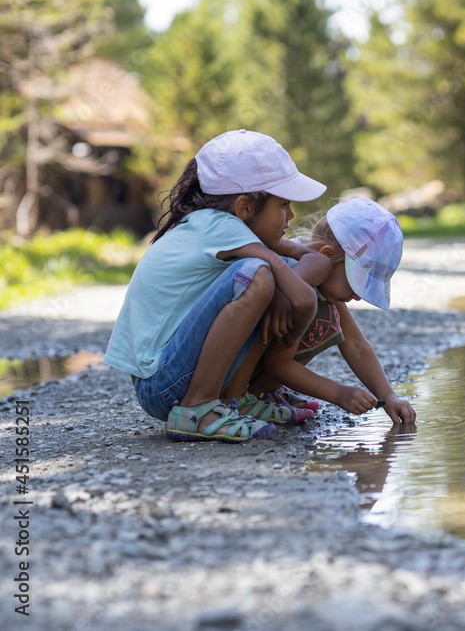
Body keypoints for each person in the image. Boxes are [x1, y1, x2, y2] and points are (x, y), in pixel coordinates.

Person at [104, 129, 327, 442]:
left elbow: (318, 262)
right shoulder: (220, 227)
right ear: (245, 207)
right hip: (161, 383)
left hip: (175, 374)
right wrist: (284, 302)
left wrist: (281, 288)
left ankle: (235, 399)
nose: (291, 216)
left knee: (274, 273)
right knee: (257, 276)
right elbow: (303, 298)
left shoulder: (228, 228)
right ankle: (197, 408)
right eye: (283, 205)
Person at [249, 198, 417, 424]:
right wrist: (338, 393)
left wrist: (388, 396)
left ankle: (264, 390)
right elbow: (277, 363)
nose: (357, 295)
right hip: (227, 366)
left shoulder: (322, 283)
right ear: (327, 255)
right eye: (354, 282)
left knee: (329, 317)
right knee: (325, 321)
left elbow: (356, 344)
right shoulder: (292, 272)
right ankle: (246, 396)